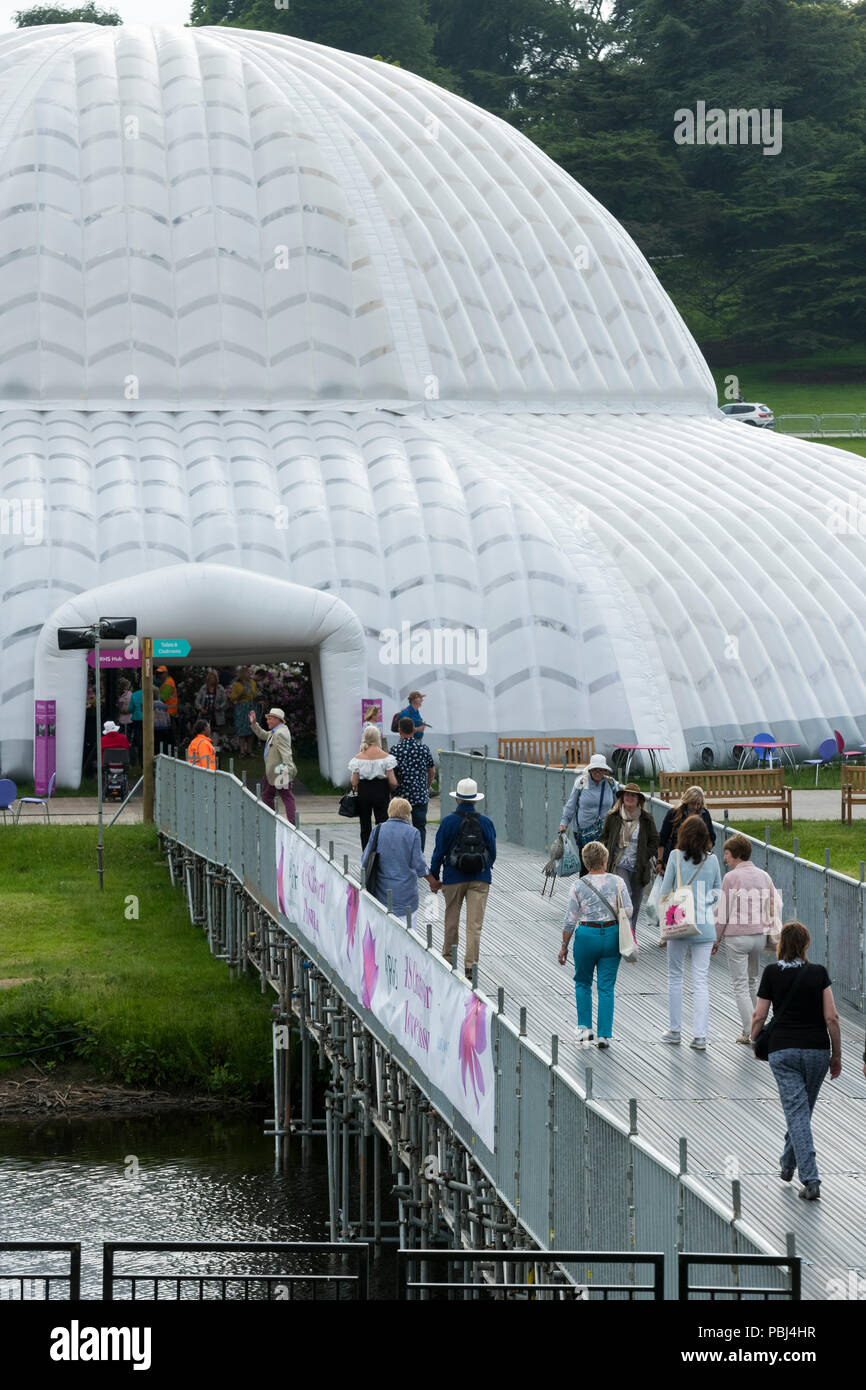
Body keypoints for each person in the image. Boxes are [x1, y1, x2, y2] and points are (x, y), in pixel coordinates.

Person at [752, 921, 841, 1201]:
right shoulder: (818, 973)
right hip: (816, 1051)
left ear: (781, 945)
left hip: (783, 1051)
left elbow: (759, 1015)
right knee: (801, 1111)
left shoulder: (771, 972)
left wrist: (756, 1039)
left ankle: (811, 1179)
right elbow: (832, 1017)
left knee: (797, 1111)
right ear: (805, 945)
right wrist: (836, 1054)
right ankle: (788, 1164)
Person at [557, 840, 632, 1049]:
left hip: (586, 935)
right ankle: (604, 1035)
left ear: (586, 862)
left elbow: (570, 919)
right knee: (606, 987)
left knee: (582, 982)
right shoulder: (617, 882)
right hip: (611, 935)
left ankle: (585, 1031)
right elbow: (628, 910)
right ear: (605, 860)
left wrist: (564, 945)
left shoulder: (578, 885)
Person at [658, 814, 722, 1050]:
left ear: (683, 834)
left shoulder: (675, 857)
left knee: (675, 976)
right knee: (700, 980)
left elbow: (665, 891)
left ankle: (675, 1030)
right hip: (704, 926)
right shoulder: (713, 860)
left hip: (679, 922)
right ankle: (700, 1036)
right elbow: (718, 891)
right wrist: (704, 903)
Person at [713, 833, 781, 1044]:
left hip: (737, 937)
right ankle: (755, 1030)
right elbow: (776, 904)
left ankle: (752, 1032)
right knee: (753, 982)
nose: (725, 858)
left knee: (740, 986)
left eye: (727, 853)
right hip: (759, 936)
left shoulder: (731, 878)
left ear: (736, 854)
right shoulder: (764, 875)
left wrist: (716, 939)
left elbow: (723, 912)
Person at [430, 777, 496, 977]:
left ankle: (448, 959)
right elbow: (492, 852)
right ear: (475, 800)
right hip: (480, 878)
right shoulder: (485, 822)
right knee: (474, 925)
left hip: (453, 877)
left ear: (457, 799)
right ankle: (471, 966)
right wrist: (484, 867)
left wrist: (434, 876)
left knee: (452, 918)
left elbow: (438, 852)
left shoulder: (448, 822)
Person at [361, 797, 437, 930]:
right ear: (408, 813)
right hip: (406, 896)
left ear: (389, 811)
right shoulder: (413, 833)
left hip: (382, 893)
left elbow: (365, 860)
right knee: (407, 935)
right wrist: (432, 880)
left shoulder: (378, 830)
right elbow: (419, 863)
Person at [599, 783, 659, 937]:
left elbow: (654, 840)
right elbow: (604, 837)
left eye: (633, 795)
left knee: (636, 902)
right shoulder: (613, 817)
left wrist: (645, 855)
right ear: (622, 798)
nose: (629, 798)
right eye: (627, 795)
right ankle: (623, 933)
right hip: (619, 863)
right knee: (626, 896)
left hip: (639, 866)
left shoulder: (646, 819)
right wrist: (607, 854)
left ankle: (630, 933)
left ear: (638, 800)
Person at [559, 753, 619, 876]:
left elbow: (617, 805)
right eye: (595, 770)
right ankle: (583, 890)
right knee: (587, 865)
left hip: (605, 832)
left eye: (601, 770)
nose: (598, 772)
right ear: (590, 770)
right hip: (583, 832)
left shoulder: (611, 784)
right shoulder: (582, 782)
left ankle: (600, 890)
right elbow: (571, 804)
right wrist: (564, 823)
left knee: (603, 864)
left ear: (605, 771)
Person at [390, 716, 436, 849]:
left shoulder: (395, 750)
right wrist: (426, 787)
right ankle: (418, 856)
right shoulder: (423, 749)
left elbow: (391, 773)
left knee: (399, 828)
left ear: (399, 730)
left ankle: (402, 855)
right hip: (420, 795)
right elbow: (431, 771)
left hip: (401, 796)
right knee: (420, 828)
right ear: (414, 730)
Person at [349, 724, 397, 849]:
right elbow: (392, 781)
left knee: (365, 825)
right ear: (378, 738)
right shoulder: (386, 758)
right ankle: (381, 851)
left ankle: (366, 854)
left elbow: (354, 781)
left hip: (364, 791)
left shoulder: (358, 758)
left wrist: (358, 788)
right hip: (381, 790)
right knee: (382, 824)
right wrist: (392, 789)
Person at [249, 706, 296, 823]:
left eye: (270, 719)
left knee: (286, 797)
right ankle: (273, 821)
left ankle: (292, 824)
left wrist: (289, 769)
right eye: (268, 718)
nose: (268, 721)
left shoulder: (280, 733)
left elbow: (286, 753)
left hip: (280, 770)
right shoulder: (276, 731)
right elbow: (264, 735)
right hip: (273, 771)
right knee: (267, 796)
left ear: (278, 720)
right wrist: (254, 724)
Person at [657, 785, 716, 872]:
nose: (695, 807)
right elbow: (662, 838)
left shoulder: (705, 814)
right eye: (692, 803)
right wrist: (660, 861)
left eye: (698, 804)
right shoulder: (674, 813)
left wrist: (705, 854)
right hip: (676, 858)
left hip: (698, 861)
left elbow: (711, 838)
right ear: (686, 801)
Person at [230, 666, 257, 756]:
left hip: (251, 707)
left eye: (249, 672)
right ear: (242, 674)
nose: (249, 674)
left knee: (251, 728)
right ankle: (242, 751)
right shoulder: (236, 684)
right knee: (241, 729)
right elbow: (232, 698)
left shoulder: (253, 683)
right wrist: (241, 693)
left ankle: (249, 750)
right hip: (241, 708)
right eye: (247, 672)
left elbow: (255, 694)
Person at [195, 671, 227, 744]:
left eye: (214, 678)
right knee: (204, 730)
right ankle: (204, 746)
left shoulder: (220, 688)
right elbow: (197, 701)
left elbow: (225, 701)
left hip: (216, 713)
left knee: (216, 731)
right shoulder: (203, 688)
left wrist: (220, 707)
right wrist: (201, 709)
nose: (212, 680)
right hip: (205, 713)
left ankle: (214, 746)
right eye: (211, 678)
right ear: (208, 679)